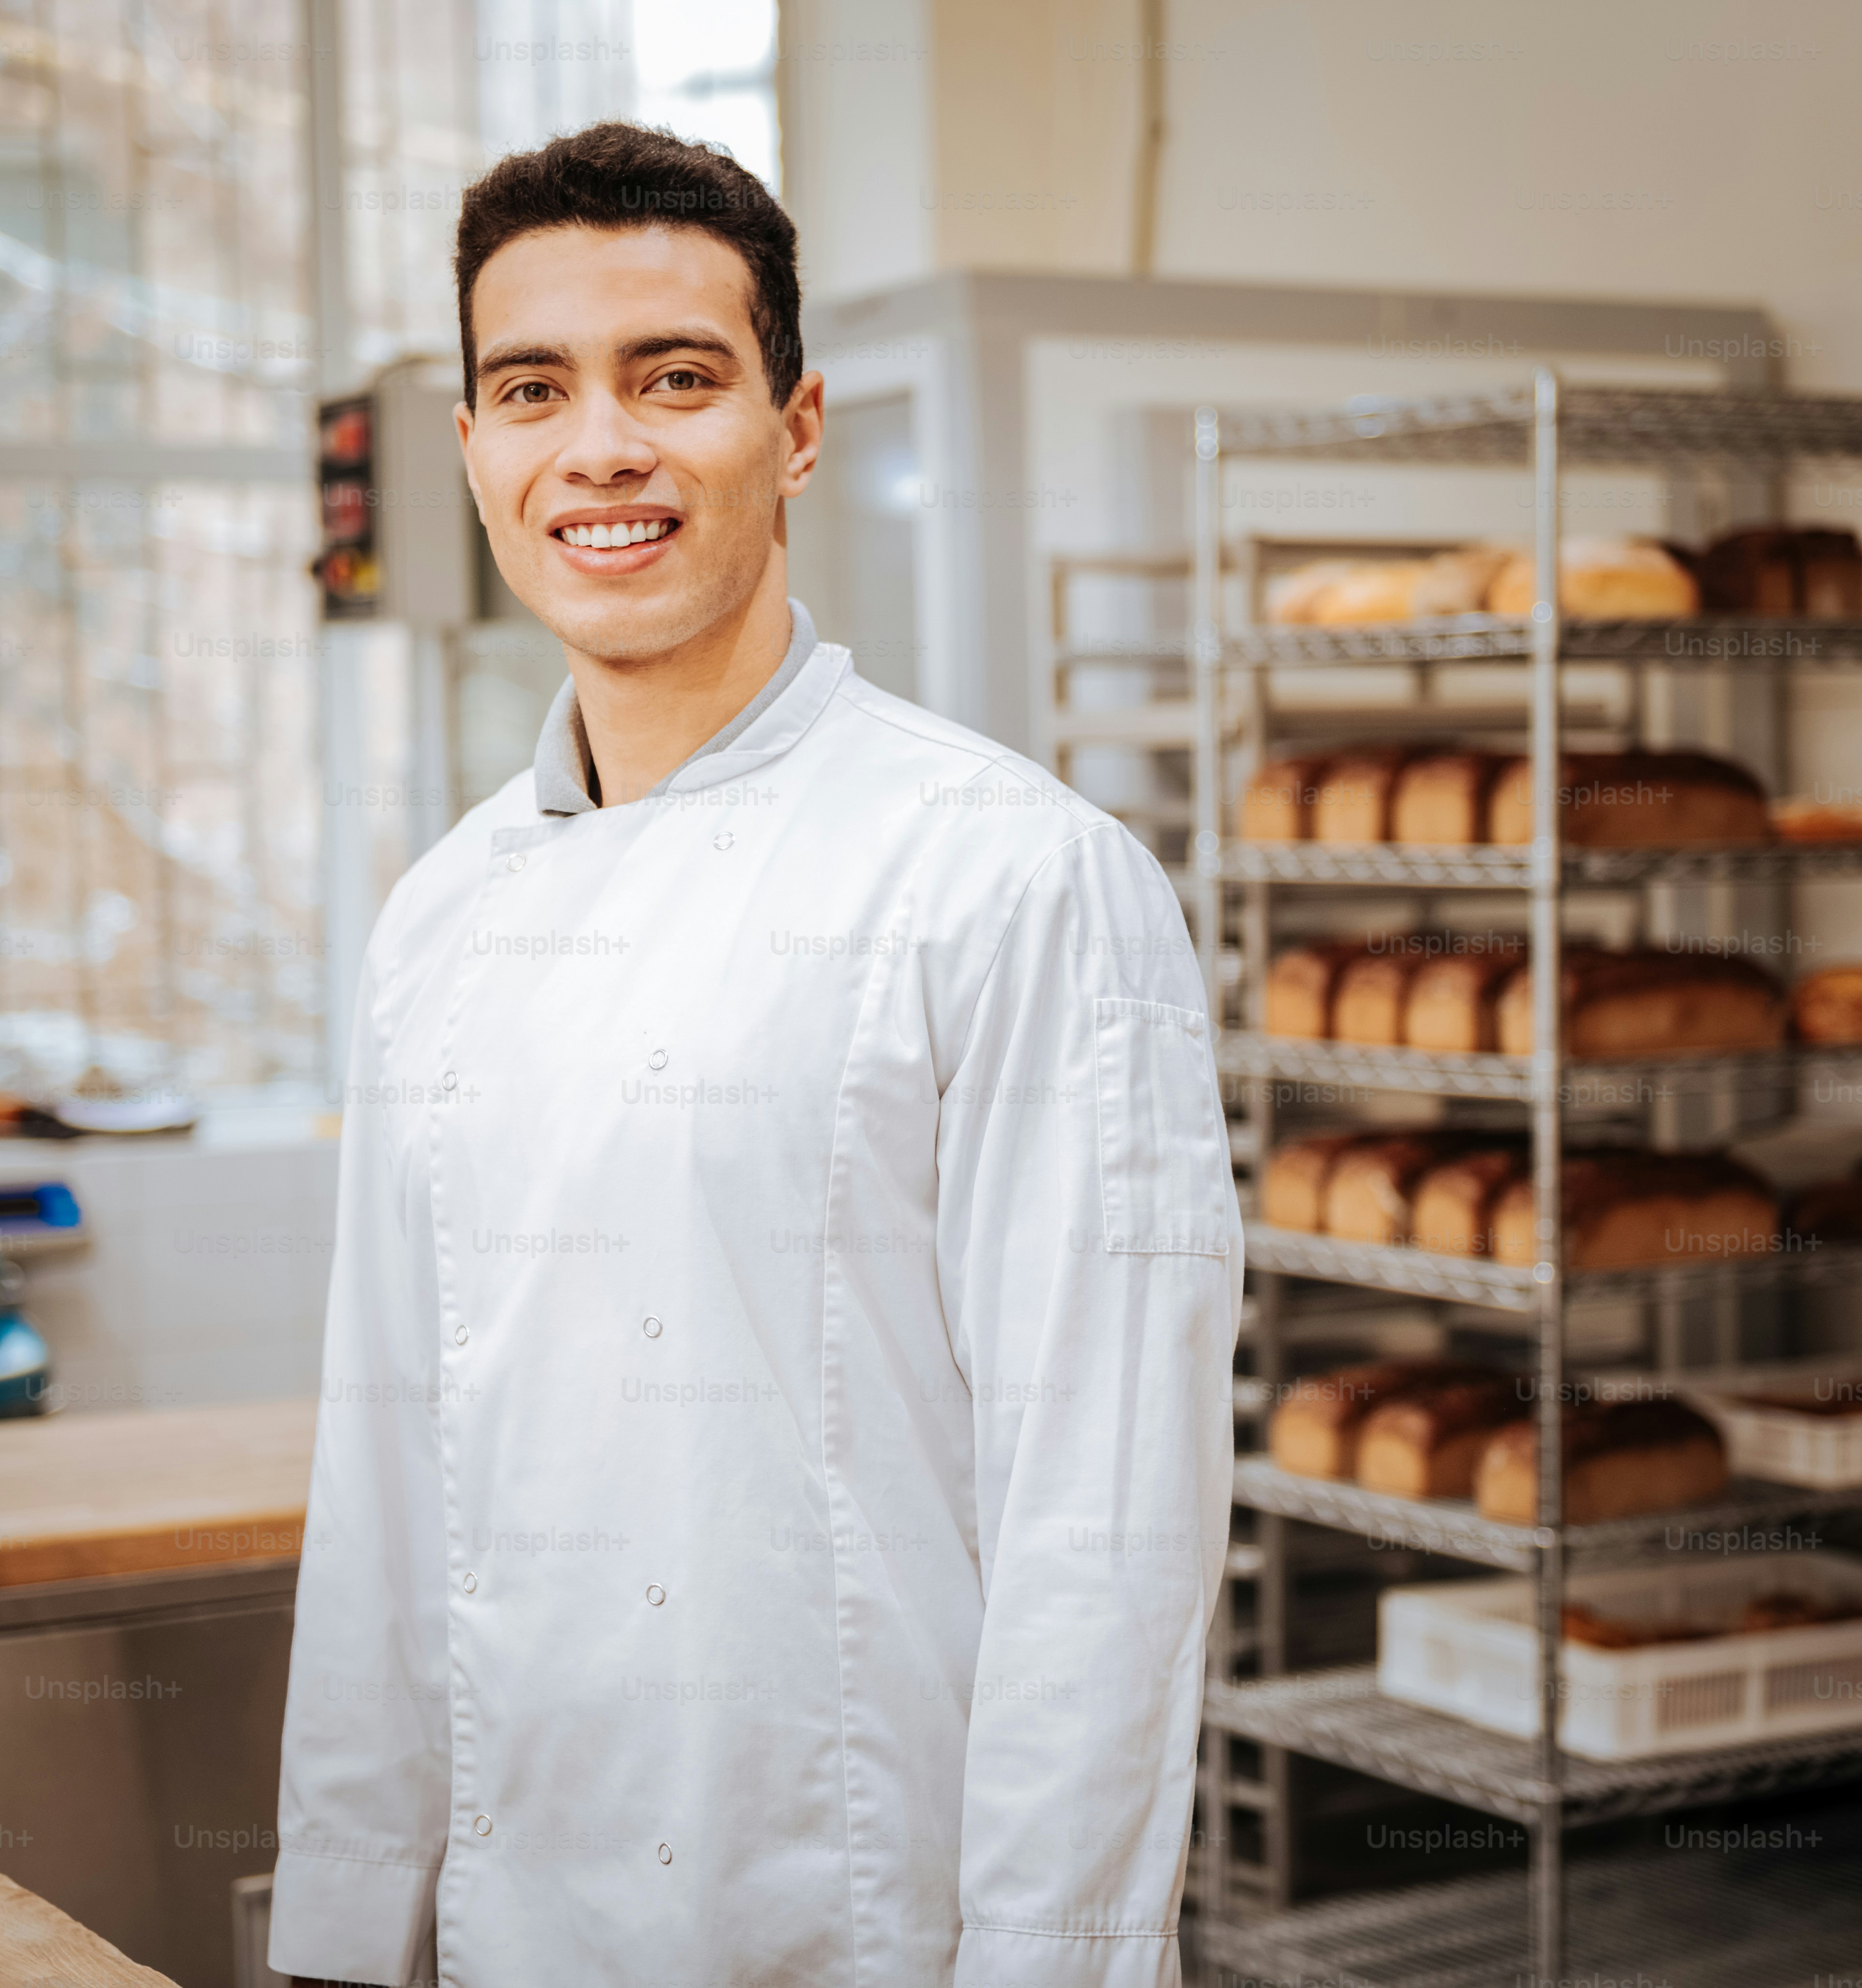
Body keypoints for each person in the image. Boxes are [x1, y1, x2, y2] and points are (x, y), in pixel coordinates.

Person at [270, 122, 1240, 1988]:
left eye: (677, 379)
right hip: (508, 1939)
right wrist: (341, 1926)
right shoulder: (440, 921)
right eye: (532, 390)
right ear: (473, 449)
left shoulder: (1014, 882)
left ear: (797, 431)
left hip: (857, 1938)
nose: (601, 449)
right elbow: (386, 1480)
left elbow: (1103, 1536)